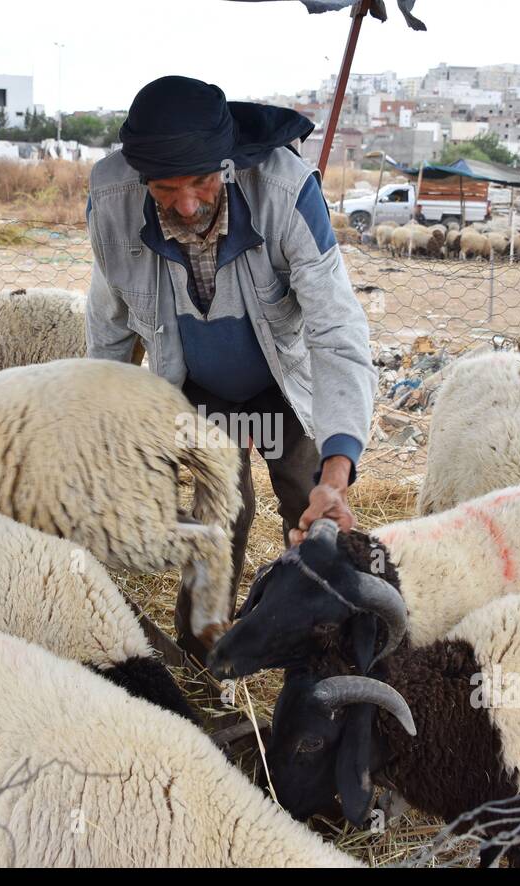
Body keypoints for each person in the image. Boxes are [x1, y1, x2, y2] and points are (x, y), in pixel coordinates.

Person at [85, 75, 375, 655]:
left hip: (283, 379)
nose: (187, 203)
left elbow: (337, 331)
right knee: (218, 517)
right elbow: (110, 331)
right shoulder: (111, 201)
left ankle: (324, 643)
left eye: (200, 181)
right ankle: (203, 653)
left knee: (308, 499)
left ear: (228, 163)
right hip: (196, 384)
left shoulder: (286, 191)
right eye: (166, 189)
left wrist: (337, 476)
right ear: (140, 178)